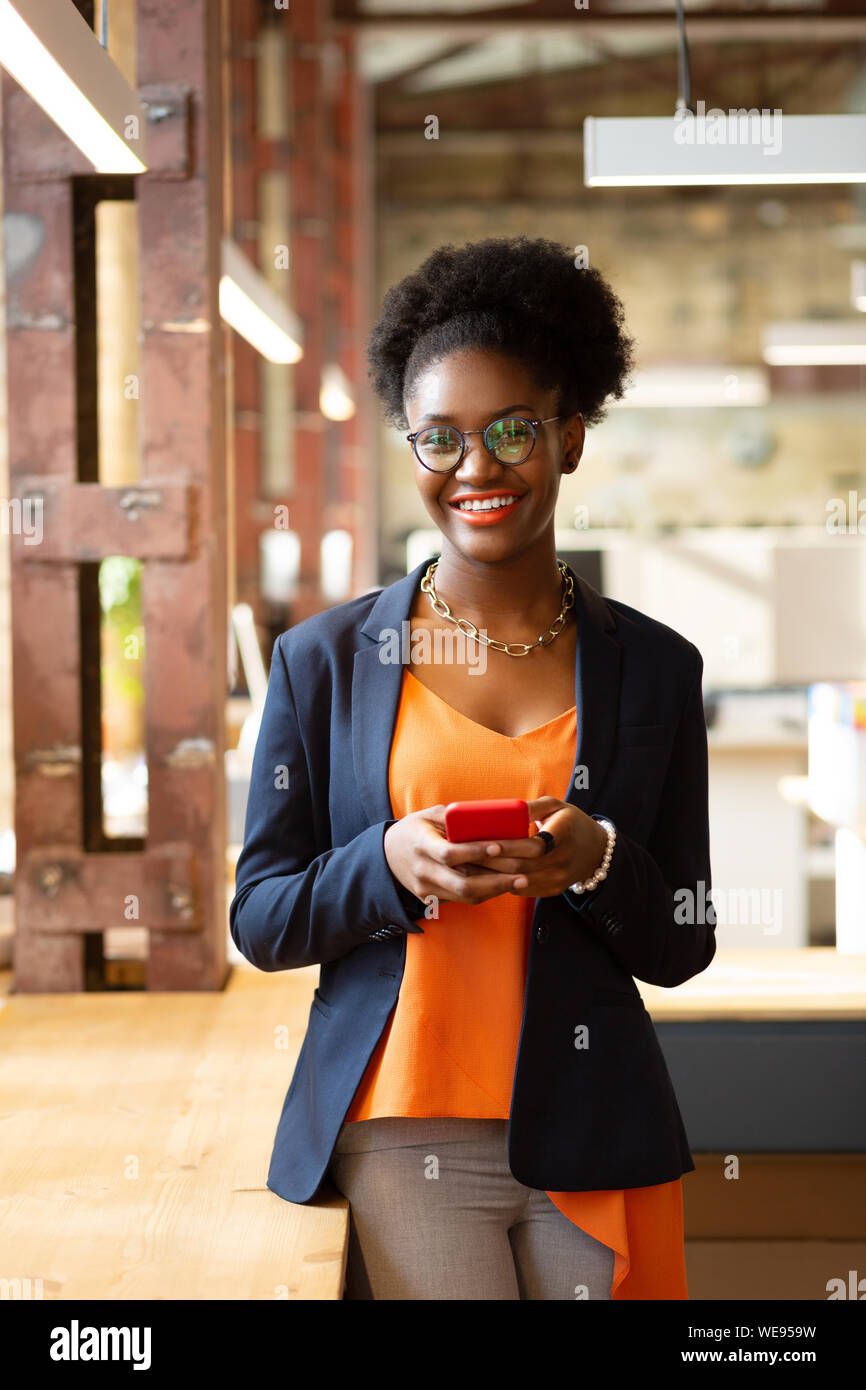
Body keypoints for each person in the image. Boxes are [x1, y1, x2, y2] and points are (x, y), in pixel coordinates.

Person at [229, 235, 716, 1301]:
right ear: (410, 448)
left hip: (596, 1121)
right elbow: (261, 918)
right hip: (405, 1127)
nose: (475, 468)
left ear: (569, 436)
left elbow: (683, 938)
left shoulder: (658, 669)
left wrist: (595, 860)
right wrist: (386, 862)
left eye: (510, 431)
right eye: (438, 438)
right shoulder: (322, 663)